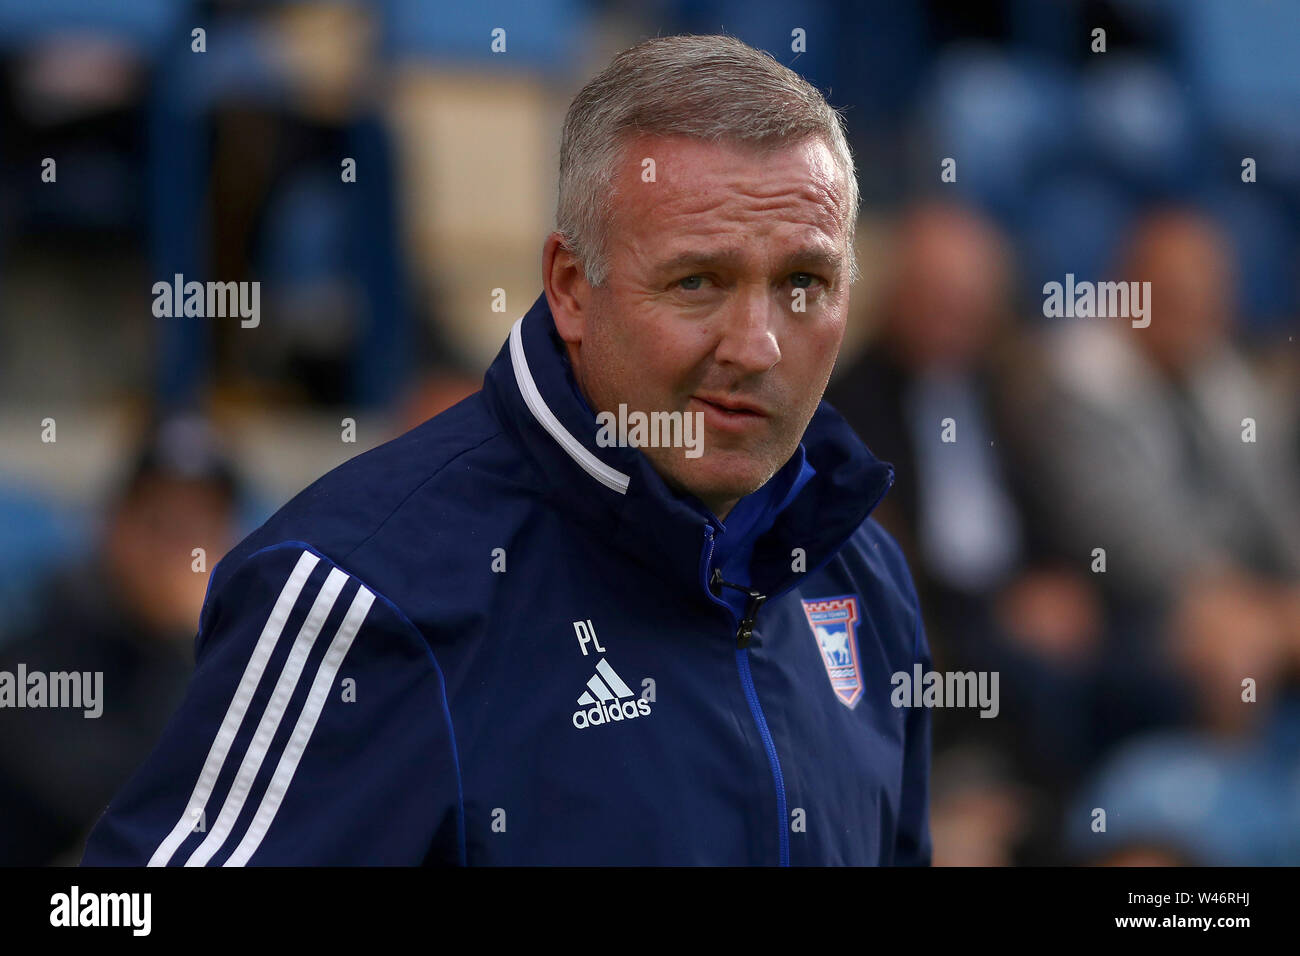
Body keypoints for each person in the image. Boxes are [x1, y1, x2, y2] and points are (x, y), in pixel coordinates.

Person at [82, 35, 931, 866]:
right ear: (571, 288)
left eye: (803, 284)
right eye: (697, 281)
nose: (758, 346)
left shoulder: (864, 580)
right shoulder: (367, 595)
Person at [0, 414, 241, 864]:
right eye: (162, 526)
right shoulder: (35, 656)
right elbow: (128, 803)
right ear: (113, 526)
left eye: (200, 531)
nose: (182, 555)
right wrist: (189, 643)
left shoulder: (241, 650)